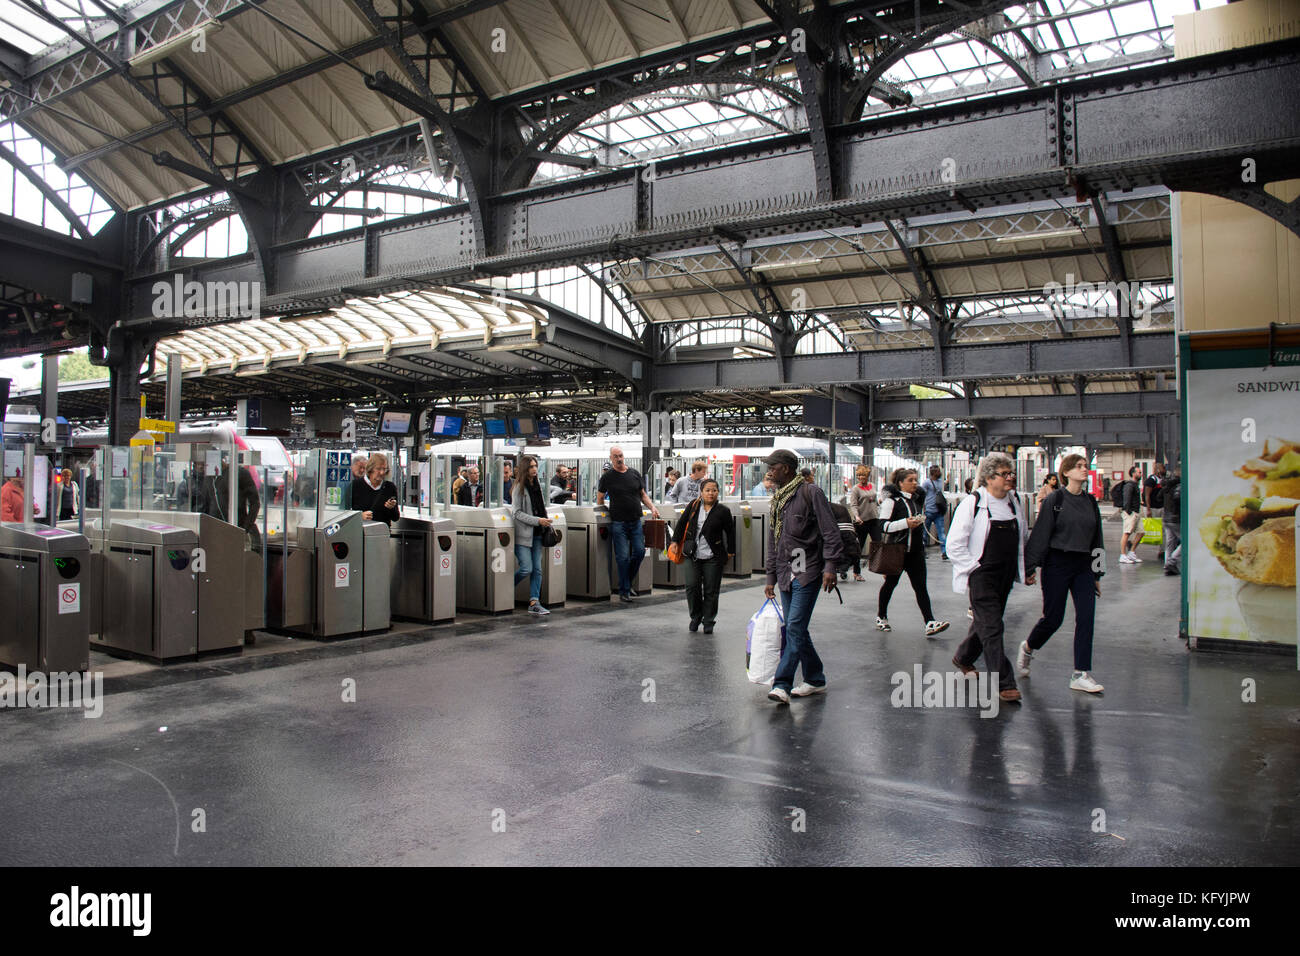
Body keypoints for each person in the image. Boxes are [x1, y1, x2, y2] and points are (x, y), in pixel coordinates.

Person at [947, 452, 1034, 703]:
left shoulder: (1013, 501)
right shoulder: (973, 503)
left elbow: (1023, 536)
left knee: (986, 624)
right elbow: (954, 544)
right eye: (1005, 474)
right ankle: (1004, 681)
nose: (1010, 478)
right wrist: (973, 568)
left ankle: (963, 657)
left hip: (1005, 574)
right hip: (981, 575)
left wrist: (1026, 568)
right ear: (988, 477)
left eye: (1011, 473)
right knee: (994, 627)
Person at [1018, 453, 1105, 694]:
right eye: (1078, 466)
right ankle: (1028, 647)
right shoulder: (1055, 500)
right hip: (1057, 563)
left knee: (1086, 617)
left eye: (1085, 466)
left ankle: (1081, 673)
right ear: (1065, 472)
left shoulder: (1091, 502)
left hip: (1084, 566)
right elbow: (1041, 535)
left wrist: (1097, 575)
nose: (1084, 469)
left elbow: (1097, 539)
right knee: (1053, 618)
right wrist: (1029, 568)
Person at [764, 449, 842, 704]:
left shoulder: (811, 493)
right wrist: (770, 577)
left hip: (808, 572)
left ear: (786, 468)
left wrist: (830, 566)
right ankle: (815, 678)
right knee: (797, 628)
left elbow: (830, 532)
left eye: (773, 467)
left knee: (795, 626)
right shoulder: (778, 499)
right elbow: (774, 542)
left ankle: (782, 684)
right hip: (786, 573)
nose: (769, 471)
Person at [875, 468, 949, 637]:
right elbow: (883, 526)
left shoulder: (916, 500)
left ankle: (930, 621)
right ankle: (881, 616)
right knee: (890, 585)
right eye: (910, 480)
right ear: (901, 483)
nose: (915, 483)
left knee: (921, 587)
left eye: (916, 479)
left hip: (916, 552)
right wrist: (905, 524)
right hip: (897, 551)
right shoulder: (892, 501)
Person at [597, 446, 660, 603]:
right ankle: (624, 591)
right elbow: (599, 498)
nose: (619, 458)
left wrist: (652, 507)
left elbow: (643, 495)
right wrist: (604, 513)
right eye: (616, 456)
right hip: (618, 522)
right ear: (611, 458)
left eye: (621, 455)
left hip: (635, 521)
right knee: (622, 557)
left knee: (639, 552)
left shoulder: (634, 474)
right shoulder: (607, 477)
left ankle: (626, 583)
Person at [670, 478, 734, 634]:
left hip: (713, 556)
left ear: (718, 492)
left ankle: (709, 621)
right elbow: (681, 524)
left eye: (714, 490)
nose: (711, 493)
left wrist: (731, 551)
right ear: (702, 492)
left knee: (711, 590)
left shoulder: (723, 511)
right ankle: (696, 616)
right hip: (692, 554)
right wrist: (675, 541)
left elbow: (730, 532)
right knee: (692, 587)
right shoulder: (693, 506)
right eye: (708, 490)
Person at [511, 455, 553, 616]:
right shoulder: (518, 488)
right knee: (526, 568)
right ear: (524, 469)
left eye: (535, 466)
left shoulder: (537, 486)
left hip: (537, 534)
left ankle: (534, 601)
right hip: (523, 535)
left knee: (537, 569)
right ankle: (506, 589)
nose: (535, 469)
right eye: (531, 467)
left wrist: (543, 521)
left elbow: (540, 507)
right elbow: (516, 513)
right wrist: (538, 521)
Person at [847, 466, 879, 580]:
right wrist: (856, 516)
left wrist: (878, 503)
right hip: (862, 521)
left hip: (874, 518)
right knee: (859, 547)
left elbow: (874, 500)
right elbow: (854, 505)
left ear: (867, 476)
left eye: (863, 475)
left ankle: (880, 566)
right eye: (859, 475)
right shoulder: (856, 489)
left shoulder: (873, 486)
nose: (861, 477)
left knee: (878, 542)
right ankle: (856, 572)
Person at [351, 452, 400, 526]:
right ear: (370, 469)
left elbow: (395, 518)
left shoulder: (390, 487)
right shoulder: (355, 485)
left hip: (382, 533)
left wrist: (391, 508)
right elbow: (344, 513)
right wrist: (359, 516)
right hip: (360, 533)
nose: (382, 472)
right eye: (378, 469)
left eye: (384, 469)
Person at [920, 465, 948, 560]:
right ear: (934, 473)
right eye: (938, 471)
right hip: (932, 510)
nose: (940, 473)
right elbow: (922, 494)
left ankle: (943, 551)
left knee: (926, 532)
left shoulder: (933, 482)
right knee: (939, 532)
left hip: (933, 510)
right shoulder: (927, 483)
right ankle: (943, 551)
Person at [1118, 465, 1144, 564]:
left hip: (1136, 512)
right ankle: (1123, 555)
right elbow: (1127, 499)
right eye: (1139, 472)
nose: (1140, 474)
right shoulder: (1129, 485)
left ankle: (1131, 552)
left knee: (1141, 532)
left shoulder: (1135, 485)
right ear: (1133, 473)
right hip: (1131, 512)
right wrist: (1129, 511)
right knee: (1127, 533)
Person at [1144, 461, 1166, 562]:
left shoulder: (1162, 480)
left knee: (1162, 529)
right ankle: (1133, 543)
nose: (1164, 470)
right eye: (1162, 468)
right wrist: (1148, 509)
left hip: (1161, 507)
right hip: (1153, 507)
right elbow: (1147, 495)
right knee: (1148, 529)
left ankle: (1162, 550)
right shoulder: (1151, 480)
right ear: (1158, 469)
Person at [1162, 465, 1182, 576]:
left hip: (1166, 517)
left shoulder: (1169, 485)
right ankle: (1172, 561)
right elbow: (1178, 500)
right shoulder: (1179, 486)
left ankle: (1167, 565)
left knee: (1170, 542)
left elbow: (1160, 497)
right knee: (1186, 541)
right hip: (1175, 518)